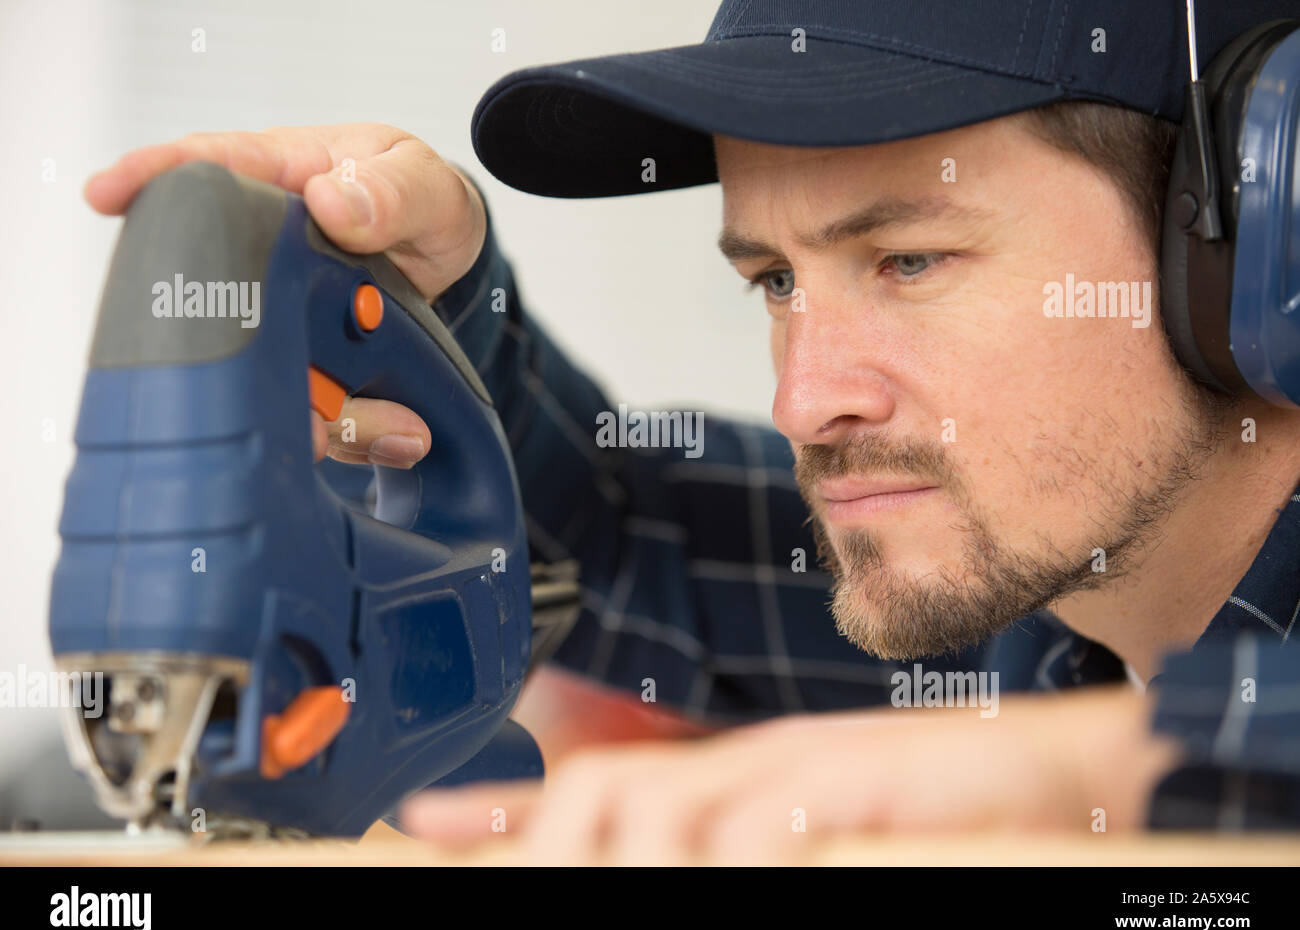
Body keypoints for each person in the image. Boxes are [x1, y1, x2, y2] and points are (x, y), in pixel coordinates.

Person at [83, 0, 1300, 863]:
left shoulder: (1045, 715)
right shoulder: (1024, 612)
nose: (803, 400)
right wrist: (444, 316)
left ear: (1250, 243)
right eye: (775, 279)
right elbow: (619, 541)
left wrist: (1082, 769)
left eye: (909, 258)